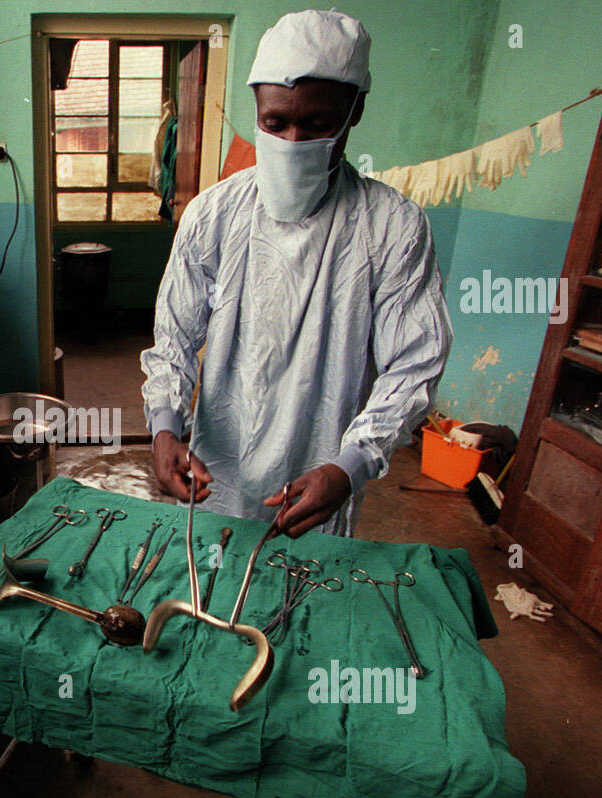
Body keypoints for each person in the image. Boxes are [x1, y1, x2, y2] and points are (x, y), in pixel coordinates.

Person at [141, 9, 453, 537]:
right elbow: (174, 337)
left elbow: (414, 363)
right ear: (258, 110)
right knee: (209, 590)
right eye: (275, 123)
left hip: (320, 477)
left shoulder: (393, 227)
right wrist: (166, 429)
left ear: (354, 112)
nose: (291, 142)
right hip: (216, 472)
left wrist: (350, 467)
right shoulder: (213, 216)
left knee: (300, 601)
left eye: (316, 126)